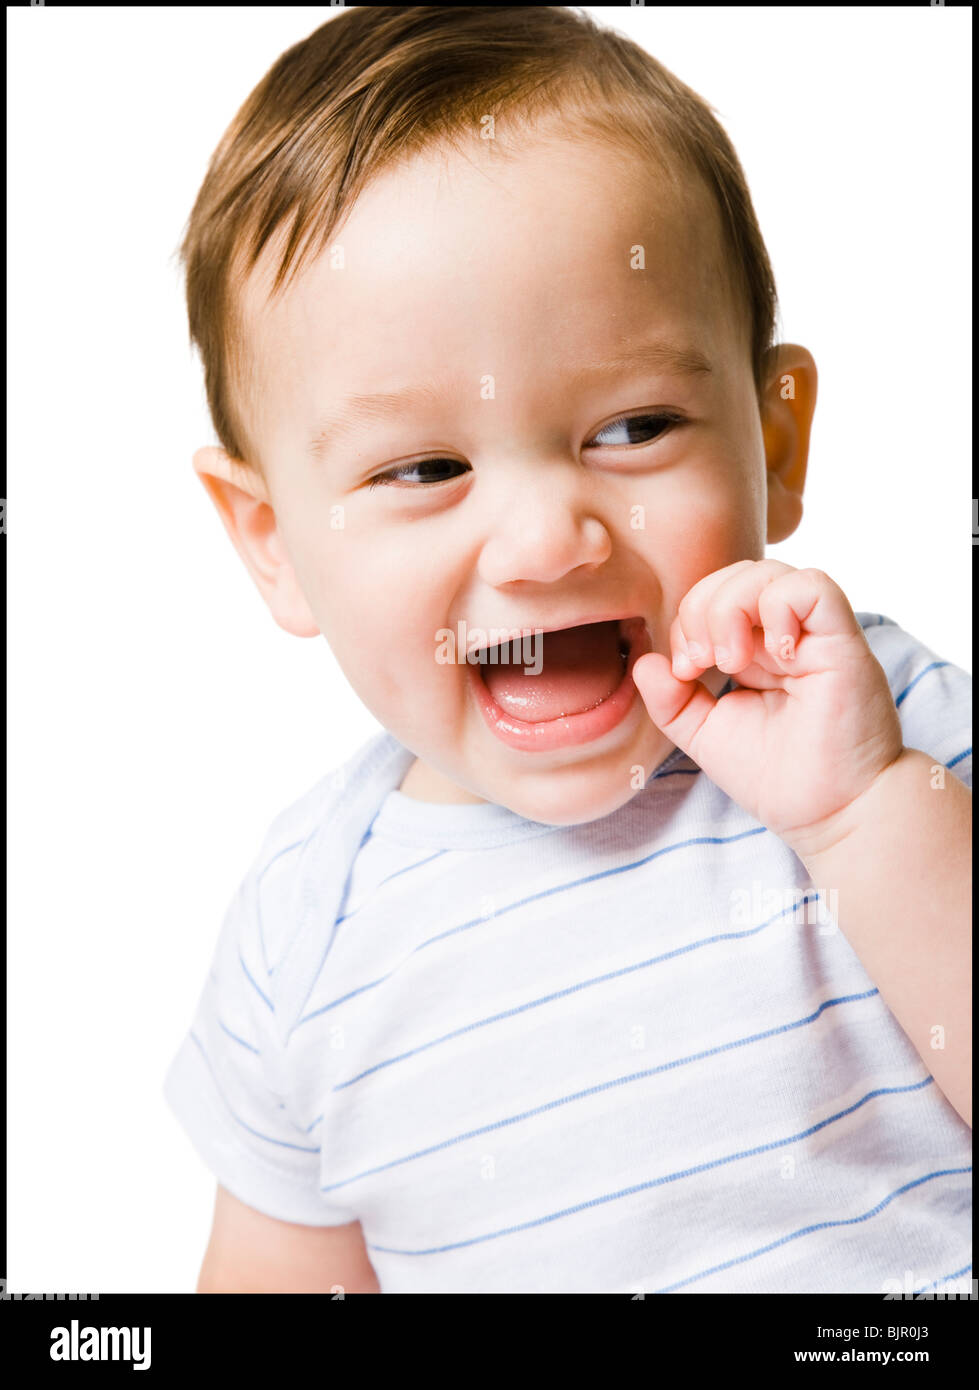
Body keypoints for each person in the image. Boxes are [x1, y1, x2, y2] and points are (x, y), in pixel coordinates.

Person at [164, 6, 971, 1294]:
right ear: (270, 537)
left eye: (635, 425)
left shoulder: (879, 729)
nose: (545, 539)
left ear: (774, 443)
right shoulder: (305, 927)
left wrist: (865, 817)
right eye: (424, 466)